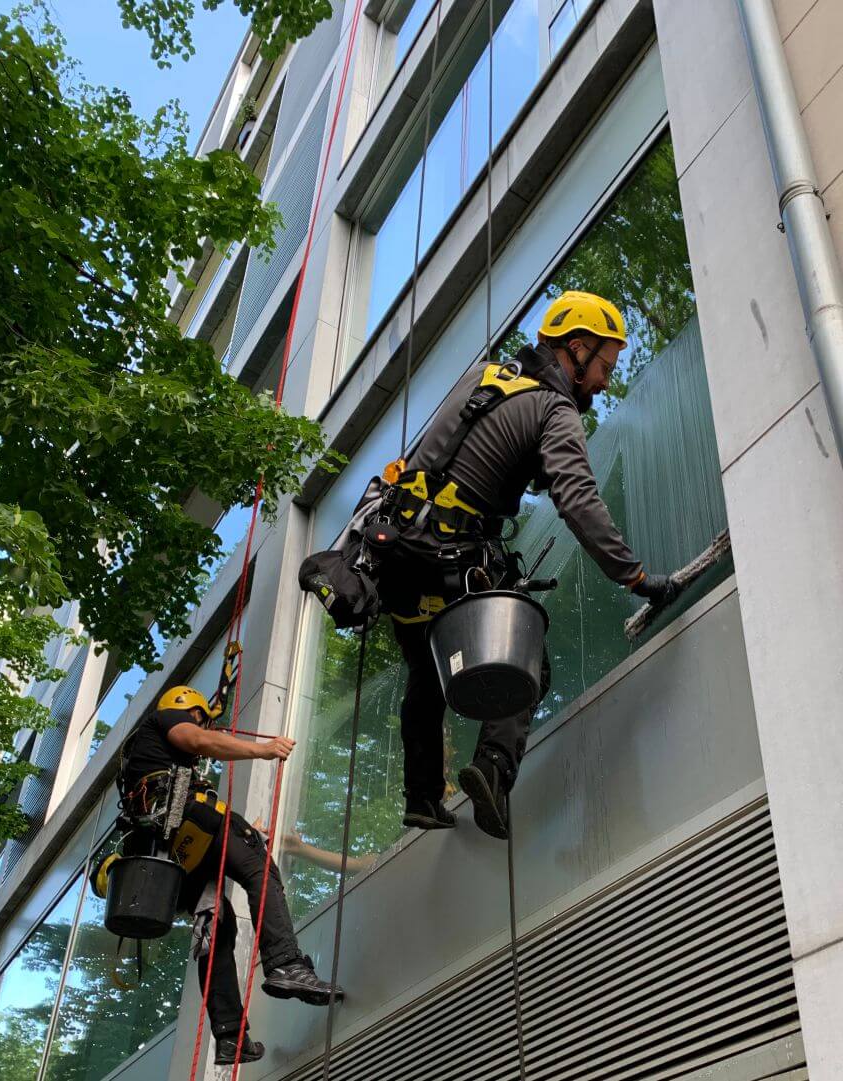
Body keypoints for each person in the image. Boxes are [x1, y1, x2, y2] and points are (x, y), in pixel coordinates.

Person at [376, 291, 679, 841]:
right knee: (526, 660)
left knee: (427, 672)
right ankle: (493, 770)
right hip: (454, 557)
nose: (606, 382)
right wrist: (634, 576)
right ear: (577, 348)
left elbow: (437, 458)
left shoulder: (483, 378)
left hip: (398, 556)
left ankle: (421, 797)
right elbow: (579, 501)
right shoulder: (554, 407)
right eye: (606, 366)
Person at [118, 685, 343, 1066]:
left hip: (170, 852)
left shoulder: (139, 758)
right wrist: (264, 749)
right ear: (191, 710)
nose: (204, 726)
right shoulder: (168, 719)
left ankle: (229, 1035)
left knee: (217, 925)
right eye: (203, 718)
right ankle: (286, 963)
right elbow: (198, 739)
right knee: (259, 866)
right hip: (187, 817)